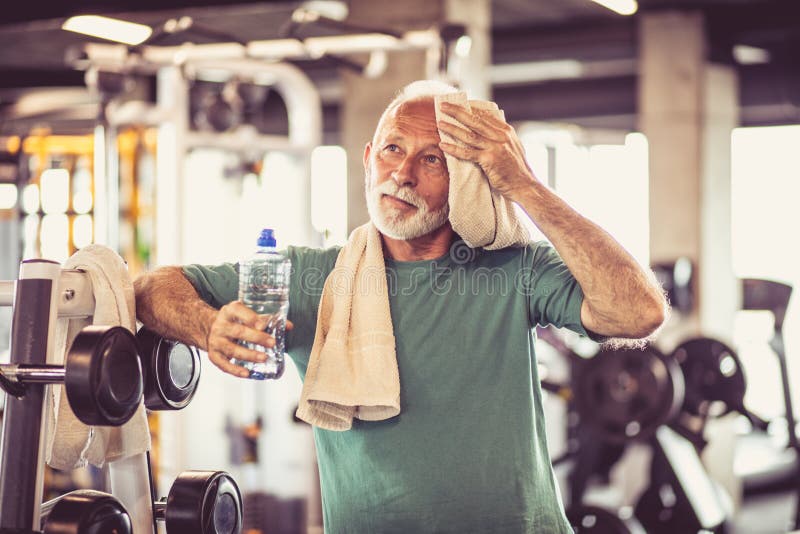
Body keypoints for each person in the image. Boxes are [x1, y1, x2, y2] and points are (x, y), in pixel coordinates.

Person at [134, 80, 667, 533]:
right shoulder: (312, 276)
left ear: (464, 181)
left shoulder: (514, 268)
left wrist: (523, 185)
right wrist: (207, 326)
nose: (403, 173)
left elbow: (638, 312)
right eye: (392, 149)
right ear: (369, 159)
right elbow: (153, 289)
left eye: (431, 159)